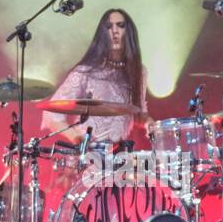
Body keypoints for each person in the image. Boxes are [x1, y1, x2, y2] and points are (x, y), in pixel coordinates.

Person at [40, 8, 150, 147]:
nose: (114, 30)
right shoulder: (86, 71)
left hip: (121, 153)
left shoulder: (139, 71)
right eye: (109, 27)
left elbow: (138, 113)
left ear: (129, 31)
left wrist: (152, 125)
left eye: (120, 25)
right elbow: (51, 113)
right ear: (103, 34)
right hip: (89, 156)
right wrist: (76, 138)